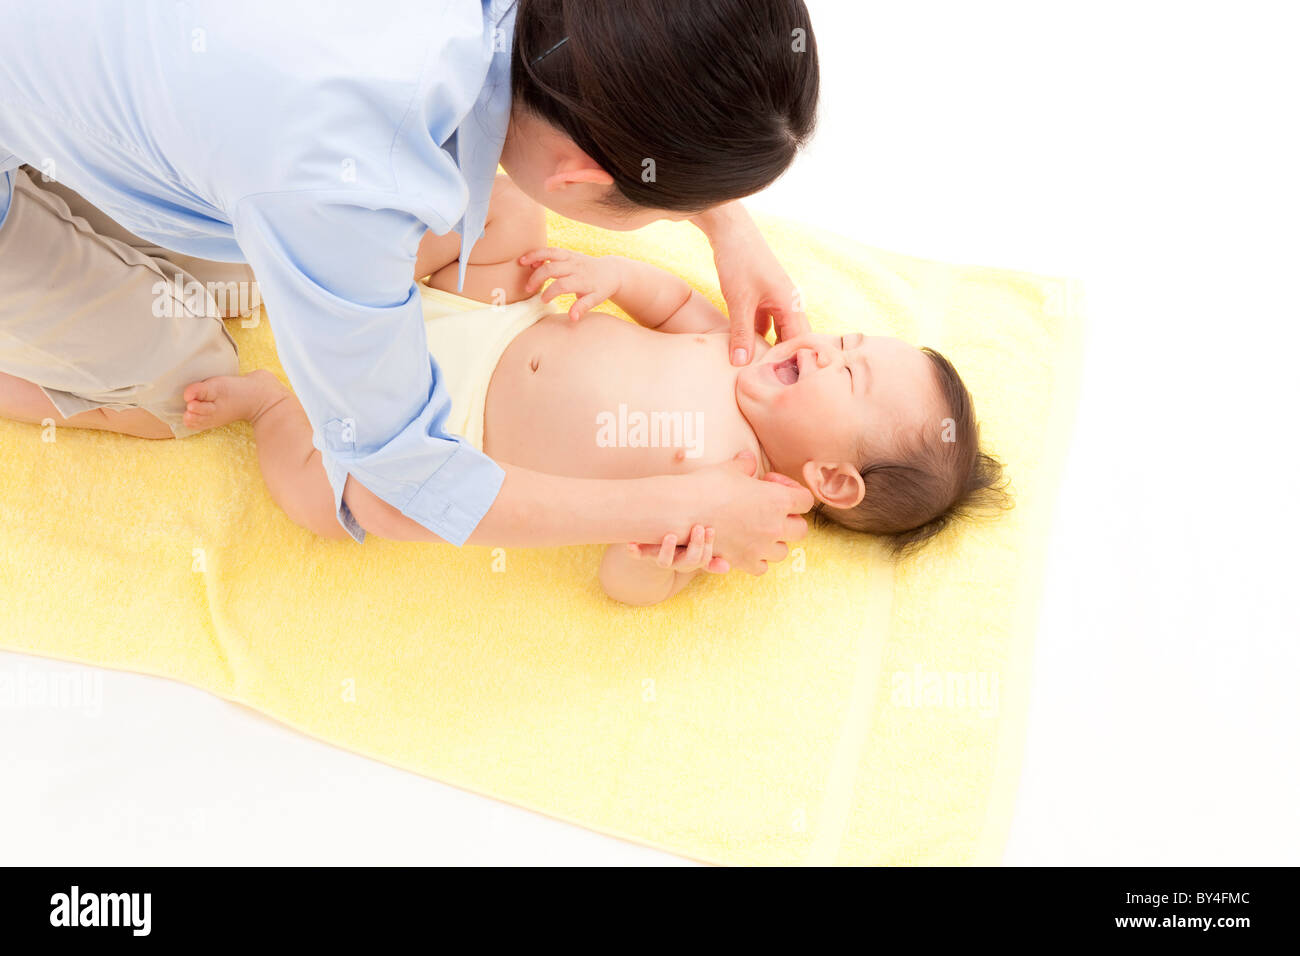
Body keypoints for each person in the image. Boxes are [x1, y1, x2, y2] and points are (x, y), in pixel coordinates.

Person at [0, 0, 822, 575]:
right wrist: (683, 507)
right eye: (654, 205)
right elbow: (393, 493)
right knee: (176, 383)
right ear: (579, 179)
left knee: (232, 271)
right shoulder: (347, 181)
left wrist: (726, 225)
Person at [180, 177, 1008, 603]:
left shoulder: (734, 489)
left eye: (850, 372)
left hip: (457, 434)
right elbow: (675, 302)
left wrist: (662, 563)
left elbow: (623, 581)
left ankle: (272, 404)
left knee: (324, 503)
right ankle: (338, 268)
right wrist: (611, 273)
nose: (824, 346)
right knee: (509, 216)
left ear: (831, 479)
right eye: (846, 339)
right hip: (500, 320)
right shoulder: (734, 351)